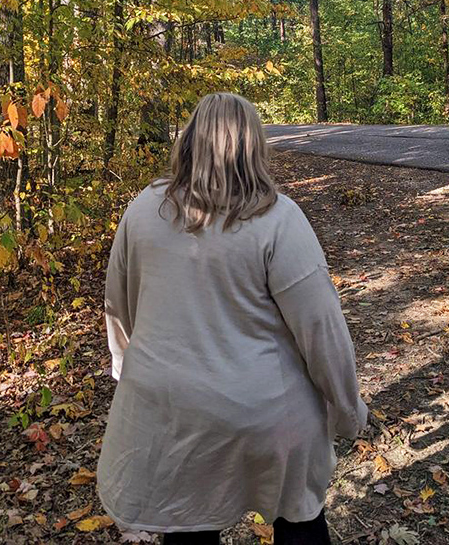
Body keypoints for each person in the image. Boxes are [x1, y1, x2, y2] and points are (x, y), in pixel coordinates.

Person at [97, 92, 368, 544]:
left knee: (187, 523)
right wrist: (347, 409)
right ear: (253, 146)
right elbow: (322, 330)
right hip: (267, 418)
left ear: (189, 141)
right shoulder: (277, 218)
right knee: (298, 517)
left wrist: (131, 373)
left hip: (172, 414)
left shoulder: (145, 209)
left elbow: (118, 307)